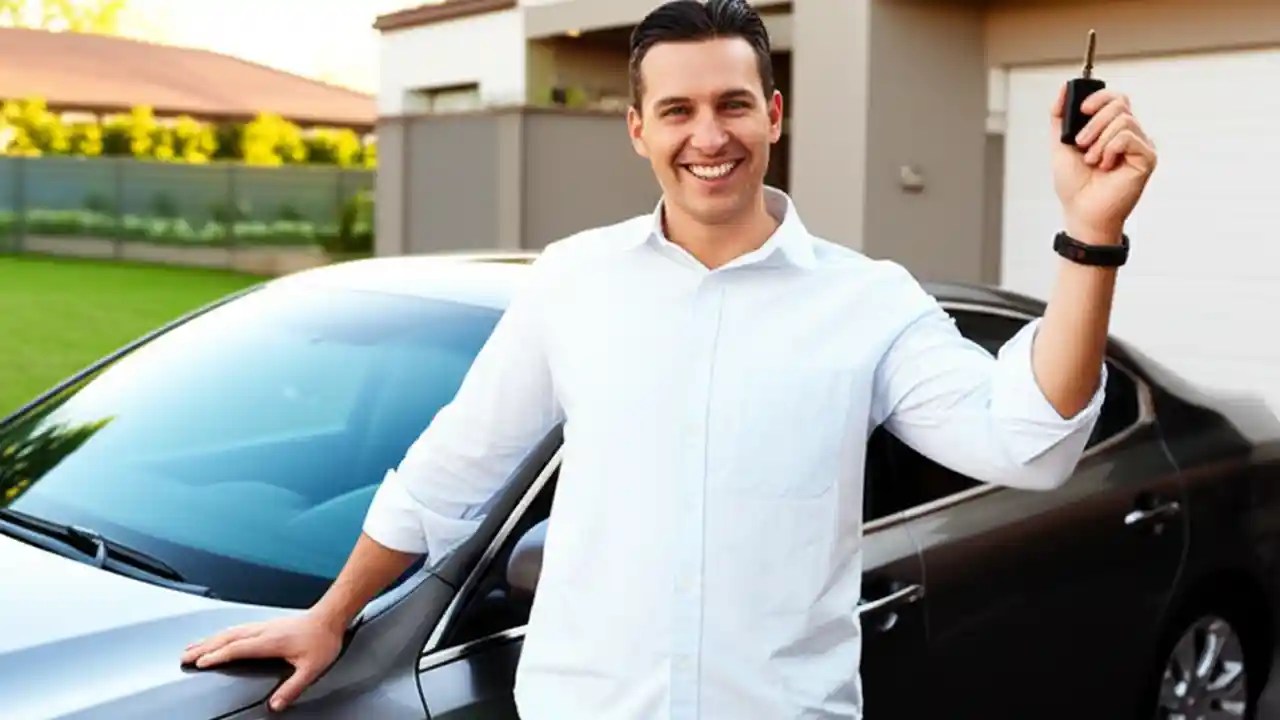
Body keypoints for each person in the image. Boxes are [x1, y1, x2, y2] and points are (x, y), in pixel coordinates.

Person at [180, 0, 1158, 717]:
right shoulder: (571, 282)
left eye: (733, 104)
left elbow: (1026, 443)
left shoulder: (867, 303)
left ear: (773, 114)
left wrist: (1088, 233)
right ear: (637, 127)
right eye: (678, 110)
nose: (709, 136)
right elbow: (450, 475)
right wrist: (332, 613)